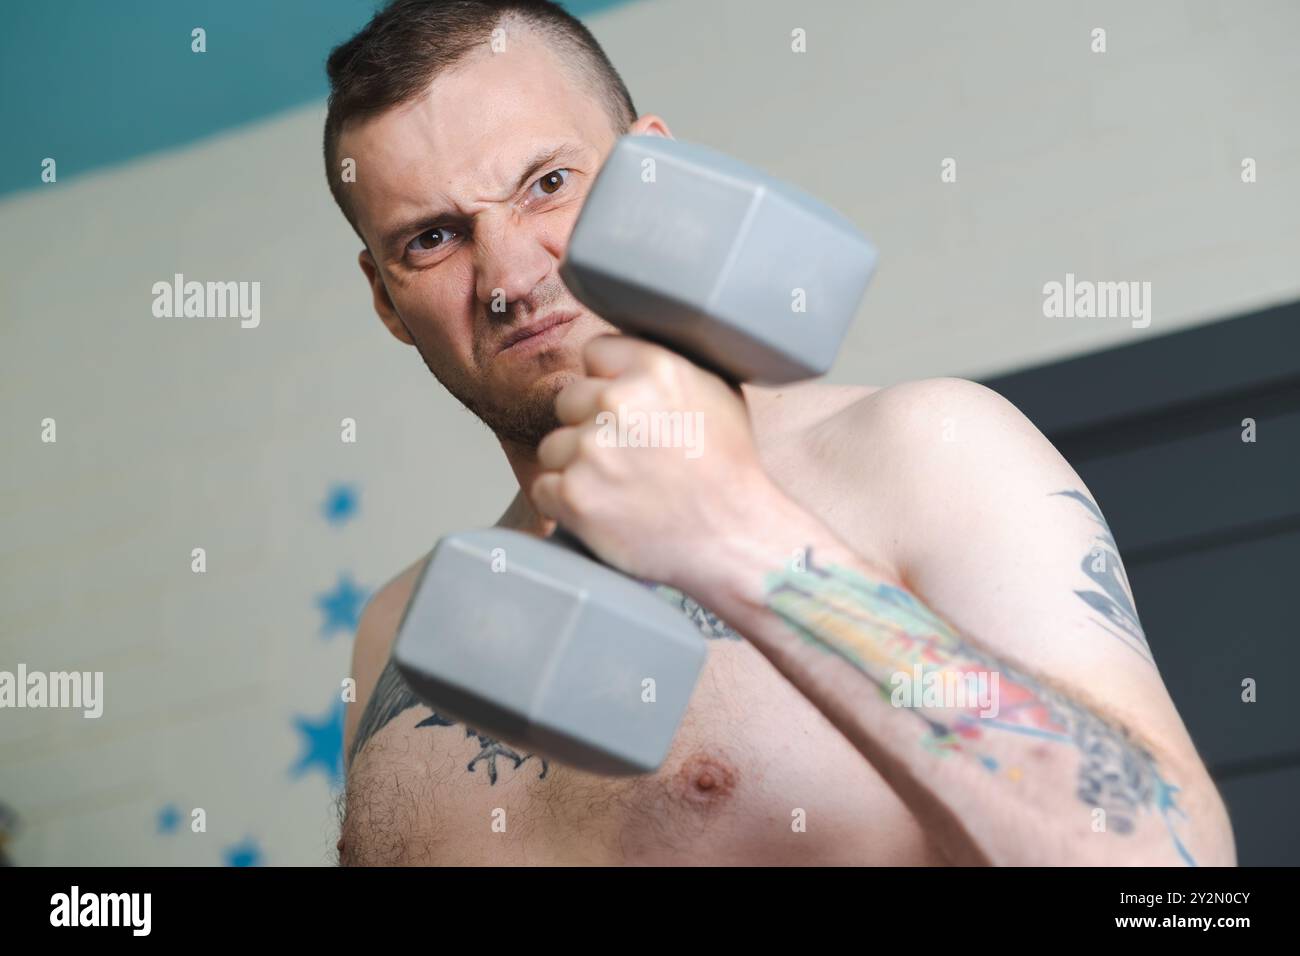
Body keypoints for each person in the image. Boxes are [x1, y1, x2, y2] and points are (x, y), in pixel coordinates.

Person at [323, 0, 1234, 865]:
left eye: (548, 185)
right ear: (384, 299)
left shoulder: (925, 452)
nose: (509, 276)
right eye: (433, 239)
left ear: (658, 175)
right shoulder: (396, 629)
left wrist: (736, 535)